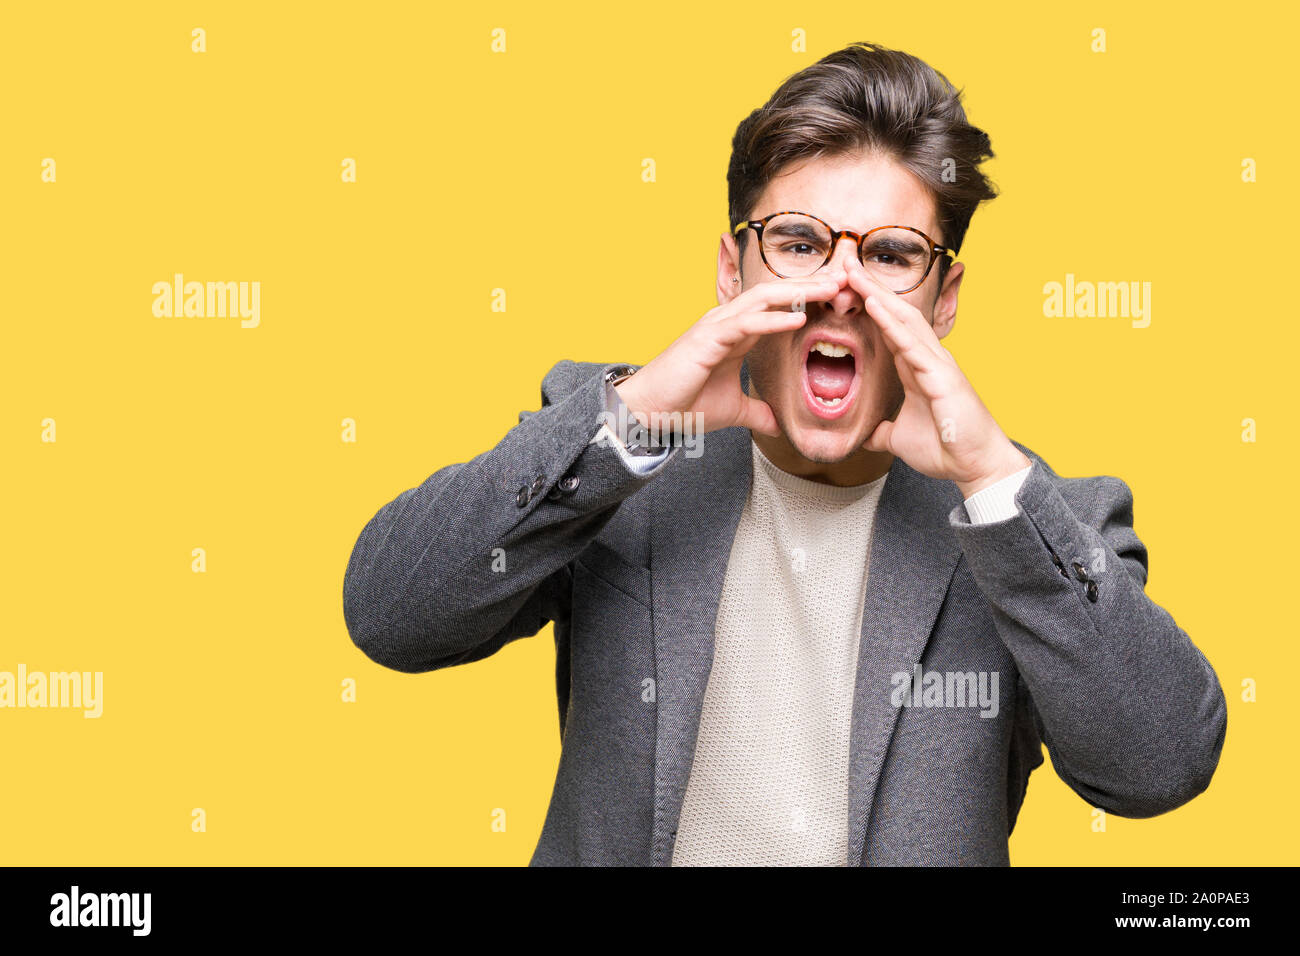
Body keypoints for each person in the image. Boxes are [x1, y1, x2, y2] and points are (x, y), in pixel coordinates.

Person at [342, 41, 1227, 866]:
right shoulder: (621, 447)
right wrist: (639, 413)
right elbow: (391, 614)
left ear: (944, 296)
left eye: (889, 255)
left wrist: (991, 480)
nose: (839, 291)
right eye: (799, 243)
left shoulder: (1032, 520)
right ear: (735, 271)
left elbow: (1161, 768)